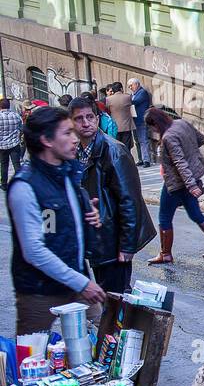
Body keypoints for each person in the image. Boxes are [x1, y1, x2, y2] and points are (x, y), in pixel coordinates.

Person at [6, 105, 105, 335]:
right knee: (33, 357)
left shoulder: (68, 173)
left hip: (77, 280)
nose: (75, 138)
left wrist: (88, 216)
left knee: (106, 340)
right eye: (67, 133)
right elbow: (34, 250)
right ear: (47, 140)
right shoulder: (25, 186)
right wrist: (81, 282)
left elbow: (61, 224)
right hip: (41, 291)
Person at [69, 96, 155, 295]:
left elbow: (130, 201)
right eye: (79, 119)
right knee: (102, 297)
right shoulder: (77, 150)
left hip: (113, 240)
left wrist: (127, 246)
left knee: (115, 297)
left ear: (98, 119)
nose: (86, 123)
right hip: (98, 239)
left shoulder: (114, 151)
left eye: (90, 117)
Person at [144, 106, 204, 263]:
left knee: (164, 217)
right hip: (191, 177)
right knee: (195, 213)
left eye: (152, 126)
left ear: (155, 124)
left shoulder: (168, 137)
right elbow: (201, 139)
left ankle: (165, 254)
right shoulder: (182, 123)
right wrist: (190, 154)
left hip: (176, 182)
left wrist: (191, 186)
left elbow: (180, 162)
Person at [105, 82, 136, 161]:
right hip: (126, 125)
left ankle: (119, 161)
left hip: (114, 126)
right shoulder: (128, 97)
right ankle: (128, 161)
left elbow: (107, 110)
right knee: (127, 146)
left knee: (117, 146)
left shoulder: (108, 99)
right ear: (121, 89)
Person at [127, 78, 153, 165]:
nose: (130, 87)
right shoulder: (133, 94)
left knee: (143, 140)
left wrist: (124, 99)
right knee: (137, 141)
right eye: (129, 86)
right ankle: (141, 159)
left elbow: (135, 102)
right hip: (134, 120)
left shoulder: (142, 92)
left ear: (137, 84)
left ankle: (146, 160)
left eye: (131, 85)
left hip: (141, 120)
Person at [0, 98, 22, 188]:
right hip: (14, 144)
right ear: (9, 105)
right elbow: (21, 128)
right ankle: (20, 183)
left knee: (4, 164)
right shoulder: (16, 116)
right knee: (16, 164)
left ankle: (4, 184)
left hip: (2, 145)